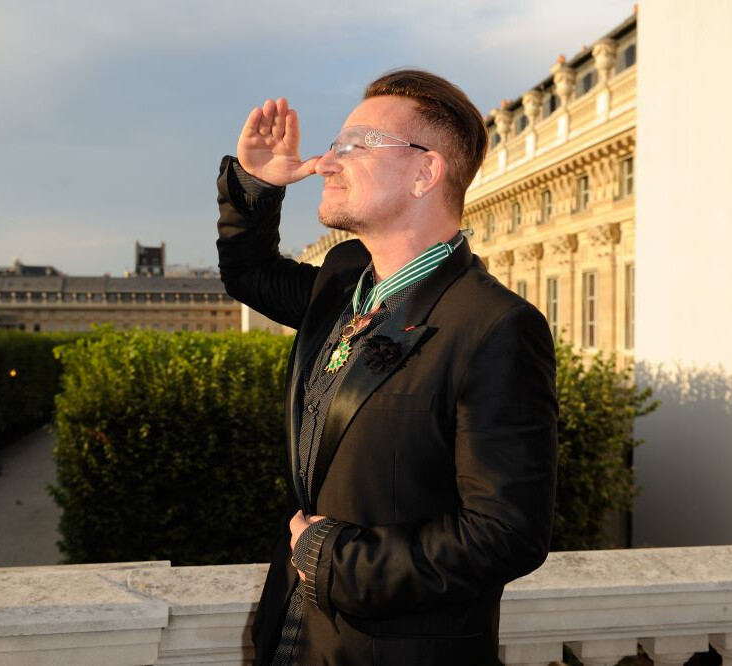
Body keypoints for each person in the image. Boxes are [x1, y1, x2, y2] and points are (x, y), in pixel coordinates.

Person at [215, 68, 558, 666]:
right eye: (335, 143)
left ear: (426, 173)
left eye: (356, 145)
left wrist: (333, 558)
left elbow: (506, 534)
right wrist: (258, 185)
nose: (324, 161)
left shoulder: (494, 326)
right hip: (293, 635)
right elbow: (250, 273)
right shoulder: (345, 280)